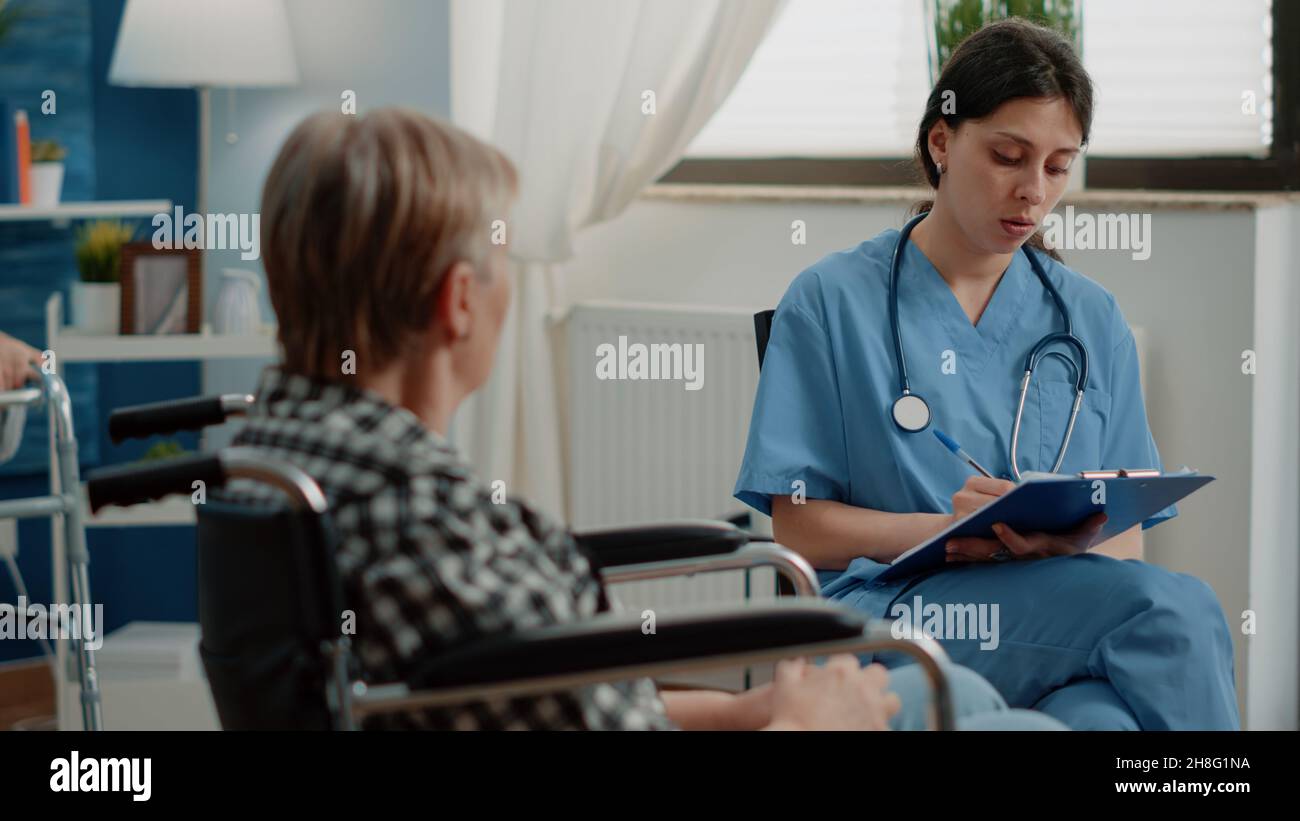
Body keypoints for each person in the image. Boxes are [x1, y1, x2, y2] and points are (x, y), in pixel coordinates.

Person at [222, 106, 1064, 730]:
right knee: (988, 712)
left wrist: (759, 707)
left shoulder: (281, 455)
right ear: (461, 300)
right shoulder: (411, 509)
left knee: (968, 694)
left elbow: (549, 693)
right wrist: (804, 724)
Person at [734, 18, 1238, 730]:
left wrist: (1060, 543)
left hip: (1054, 614)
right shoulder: (830, 301)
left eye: (1058, 166)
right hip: (896, 611)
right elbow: (800, 526)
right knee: (1177, 608)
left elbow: (1127, 538)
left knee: (1109, 725)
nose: (1033, 191)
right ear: (941, 142)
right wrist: (949, 529)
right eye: (1009, 156)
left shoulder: (1090, 319)